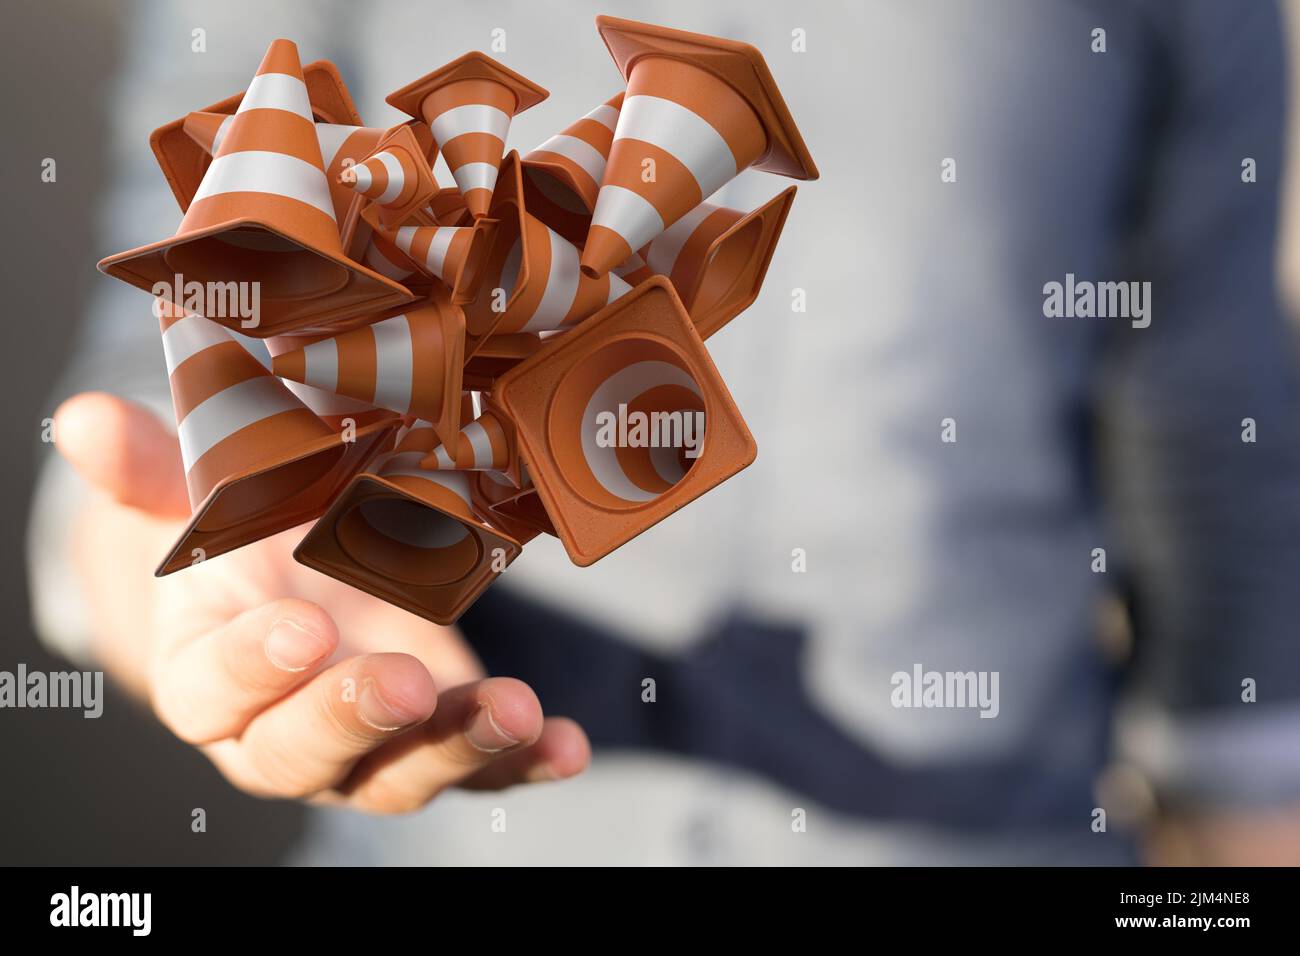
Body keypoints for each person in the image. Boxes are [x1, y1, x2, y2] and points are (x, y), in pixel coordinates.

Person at [29, 0, 1300, 864]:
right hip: (458, 829)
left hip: (984, 831)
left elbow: (1209, 411)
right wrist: (171, 571)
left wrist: (1246, 808)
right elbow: (183, 303)